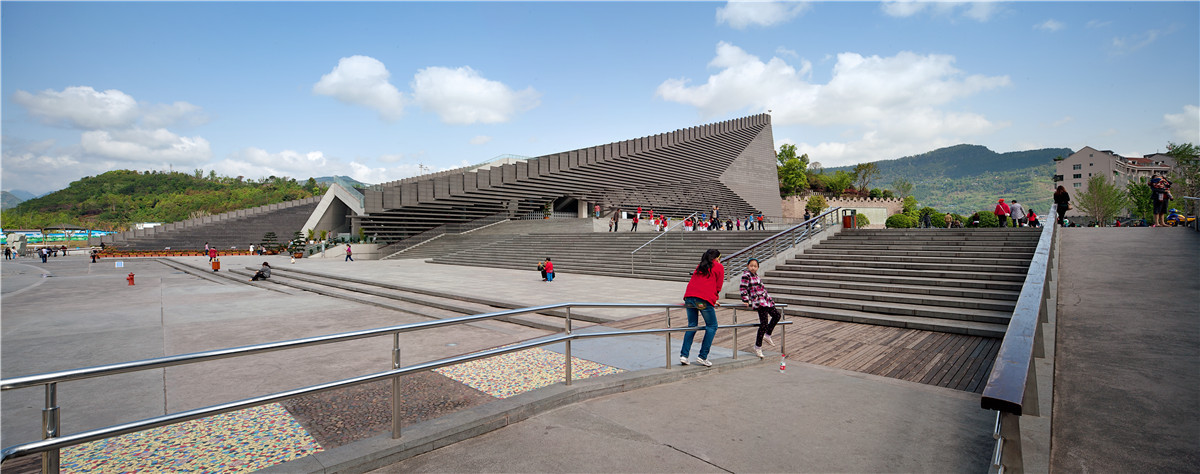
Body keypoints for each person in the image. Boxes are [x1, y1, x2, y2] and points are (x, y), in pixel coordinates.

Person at [680, 249, 723, 367]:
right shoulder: (719, 266)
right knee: (712, 326)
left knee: (692, 325)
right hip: (702, 300)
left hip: (689, 298)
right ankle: (702, 356)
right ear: (718, 258)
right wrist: (714, 298)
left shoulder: (701, 265)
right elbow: (718, 286)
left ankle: (684, 355)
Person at [739, 258, 781, 359]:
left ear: (758, 267)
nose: (753, 267)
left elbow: (762, 288)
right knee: (764, 324)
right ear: (747, 266)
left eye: (755, 266)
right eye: (751, 265)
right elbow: (743, 287)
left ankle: (768, 335)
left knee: (777, 315)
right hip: (758, 302)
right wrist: (745, 299)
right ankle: (758, 346)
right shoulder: (746, 275)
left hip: (766, 300)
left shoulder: (756, 276)